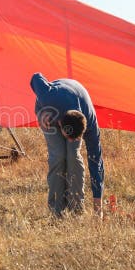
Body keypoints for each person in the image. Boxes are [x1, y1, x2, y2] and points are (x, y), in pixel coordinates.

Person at [30, 73, 104, 217]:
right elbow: (36, 77)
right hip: (49, 109)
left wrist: (98, 208)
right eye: (68, 136)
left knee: (73, 155)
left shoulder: (90, 123)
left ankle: (76, 208)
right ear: (60, 123)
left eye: (74, 138)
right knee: (58, 155)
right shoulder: (48, 97)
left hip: (76, 99)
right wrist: (42, 112)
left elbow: (96, 161)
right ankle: (56, 211)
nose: (70, 140)